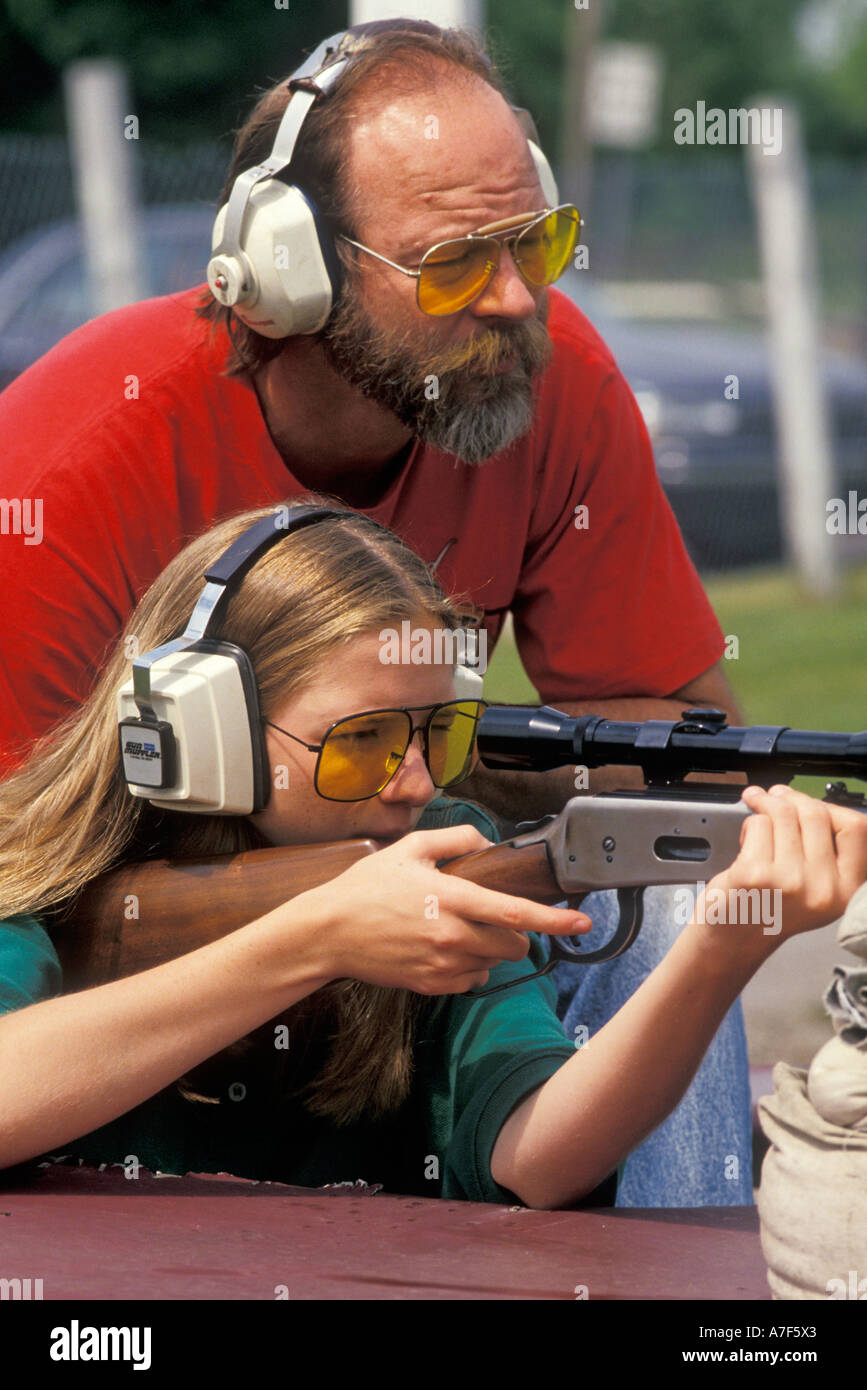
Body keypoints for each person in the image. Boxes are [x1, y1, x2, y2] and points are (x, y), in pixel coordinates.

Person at [0, 19, 747, 1203]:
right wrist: (353, 897)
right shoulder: (67, 468)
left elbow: (699, 764)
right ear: (292, 266)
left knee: (669, 893)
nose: (515, 300)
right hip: (101, 1002)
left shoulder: (549, 380)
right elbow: (38, 881)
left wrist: (478, 810)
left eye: (537, 242)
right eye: (455, 262)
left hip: (383, 950)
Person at [1, 503, 863, 1208]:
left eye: (438, 735)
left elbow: (537, 1157)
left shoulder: (439, 852)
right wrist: (312, 942)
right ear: (204, 734)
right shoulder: (44, 873)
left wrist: (719, 951)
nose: (413, 781)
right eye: (362, 739)